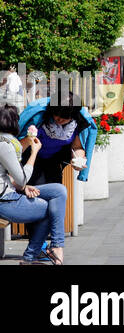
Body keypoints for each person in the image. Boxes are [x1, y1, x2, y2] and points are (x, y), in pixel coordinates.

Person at [0, 104, 67, 264]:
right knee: (48, 209)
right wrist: (35, 150)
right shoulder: (5, 143)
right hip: (5, 200)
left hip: (9, 191)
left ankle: (56, 245)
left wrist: (22, 187)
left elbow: (8, 176)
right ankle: (31, 256)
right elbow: (22, 177)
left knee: (58, 190)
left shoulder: (5, 142)